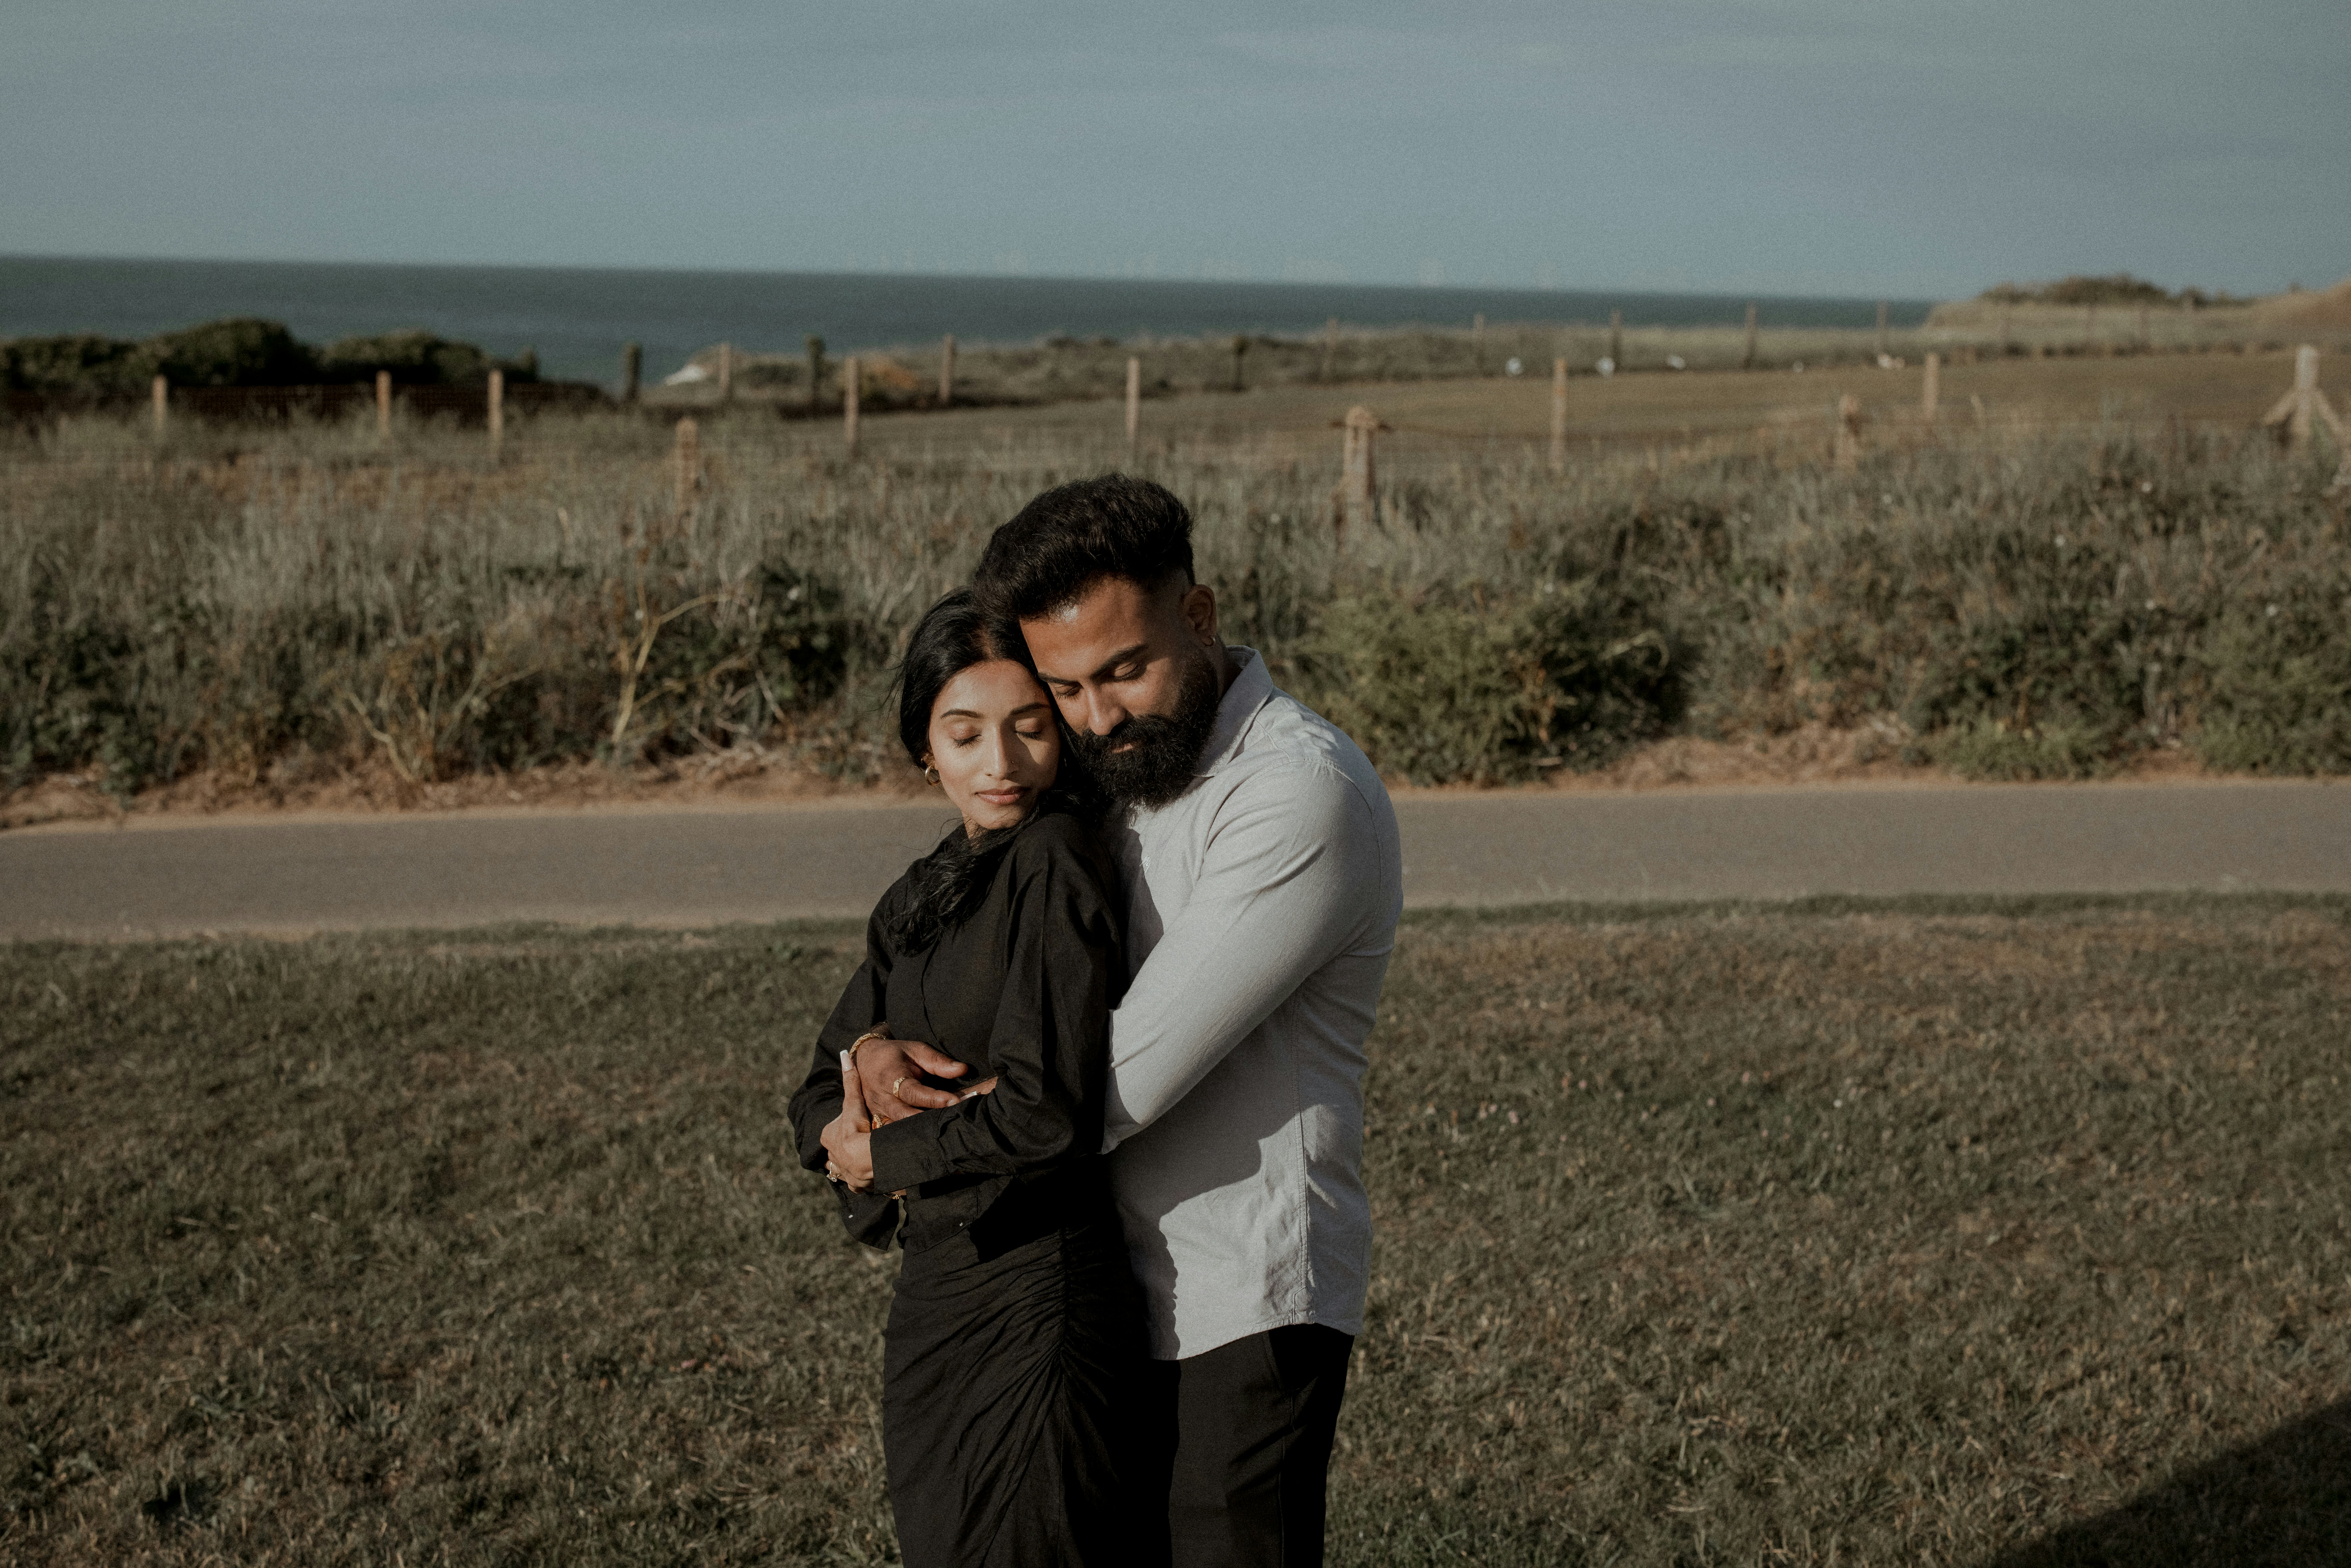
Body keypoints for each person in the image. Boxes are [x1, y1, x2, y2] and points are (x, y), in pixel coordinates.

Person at [856, 476, 1405, 1568]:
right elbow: (976, 956)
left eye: (1124, 670)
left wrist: (887, 1148)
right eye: (1063, 687)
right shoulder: (1114, 765)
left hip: (1238, 1299)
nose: (1098, 714)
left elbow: (1108, 1084)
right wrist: (873, 1046)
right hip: (1091, 1291)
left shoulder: (1296, 793)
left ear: (1199, 619)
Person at [785, 588, 1153, 1568]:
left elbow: (1050, 1111)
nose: (1001, 763)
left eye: (1030, 728)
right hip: (937, 1296)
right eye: (966, 734)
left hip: (1039, 1292)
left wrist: (885, 1156)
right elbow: (817, 1083)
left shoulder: (1055, 860)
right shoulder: (925, 886)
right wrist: (858, 1075)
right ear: (925, 749)